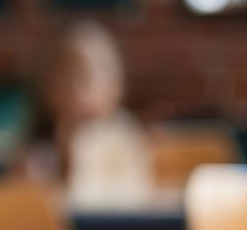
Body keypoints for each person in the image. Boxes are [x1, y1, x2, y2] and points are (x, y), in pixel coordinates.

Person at [21, 21, 152, 208]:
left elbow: (127, 196)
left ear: (114, 85)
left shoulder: (122, 137)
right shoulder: (42, 144)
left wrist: (75, 158)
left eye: (84, 78)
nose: (74, 92)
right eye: (65, 79)